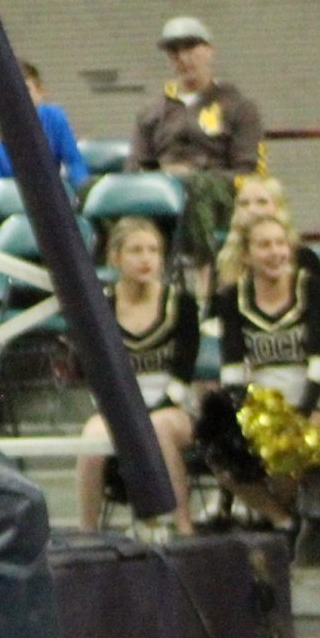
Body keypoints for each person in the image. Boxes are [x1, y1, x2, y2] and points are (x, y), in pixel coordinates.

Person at [75, 218, 200, 535]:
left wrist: (154, 409)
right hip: (119, 405)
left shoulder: (181, 304)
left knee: (158, 427)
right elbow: (93, 371)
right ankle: (87, 533)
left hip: (172, 405)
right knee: (92, 439)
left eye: (153, 250)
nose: (146, 259)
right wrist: (122, 411)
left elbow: (183, 372)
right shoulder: (100, 306)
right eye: (136, 251)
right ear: (115, 257)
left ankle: (183, 526)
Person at [212, 213, 320, 531]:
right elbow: (232, 367)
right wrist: (243, 411)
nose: (275, 252)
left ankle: (277, 525)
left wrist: (300, 414)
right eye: (264, 245)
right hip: (260, 398)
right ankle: (282, 519)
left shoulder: (312, 289)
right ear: (247, 254)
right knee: (218, 452)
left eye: (281, 244)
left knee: (291, 447)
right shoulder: (232, 298)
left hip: (313, 395)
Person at [132, 16, 263, 271]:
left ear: (209, 51)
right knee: (95, 191)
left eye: (191, 47)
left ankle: (203, 273)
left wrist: (194, 176)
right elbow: (135, 167)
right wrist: (165, 178)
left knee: (197, 187)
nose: (183, 58)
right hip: (163, 195)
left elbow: (248, 171)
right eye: (174, 51)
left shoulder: (238, 107)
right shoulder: (152, 111)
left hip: (219, 196)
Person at [0, 60, 90, 193]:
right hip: (11, 198)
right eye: (11, 92)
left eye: (26, 90)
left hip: (51, 194)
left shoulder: (55, 117)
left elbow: (74, 162)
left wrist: (82, 192)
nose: (18, 97)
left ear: (40, 91)